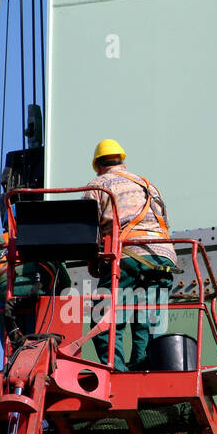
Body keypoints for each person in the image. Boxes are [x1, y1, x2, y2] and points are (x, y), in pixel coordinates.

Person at [87, 139, 181, 371]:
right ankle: (145, 366)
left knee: (105, 316)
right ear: (123, 161)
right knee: (147, 318)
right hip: (163, 257)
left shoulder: (98, 186)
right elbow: (164, 223)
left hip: (126, 255)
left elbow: (87, 233)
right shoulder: (148, 186)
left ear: (98, 164)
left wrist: (93, 261)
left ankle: (116, 369)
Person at [0, 231, 68, 348]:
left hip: (5, 289)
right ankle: (35, 346)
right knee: (41, 315)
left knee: (2, 308)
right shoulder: (48, 236)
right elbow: (65, 283)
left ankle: (11, 349)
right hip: (38, 290)